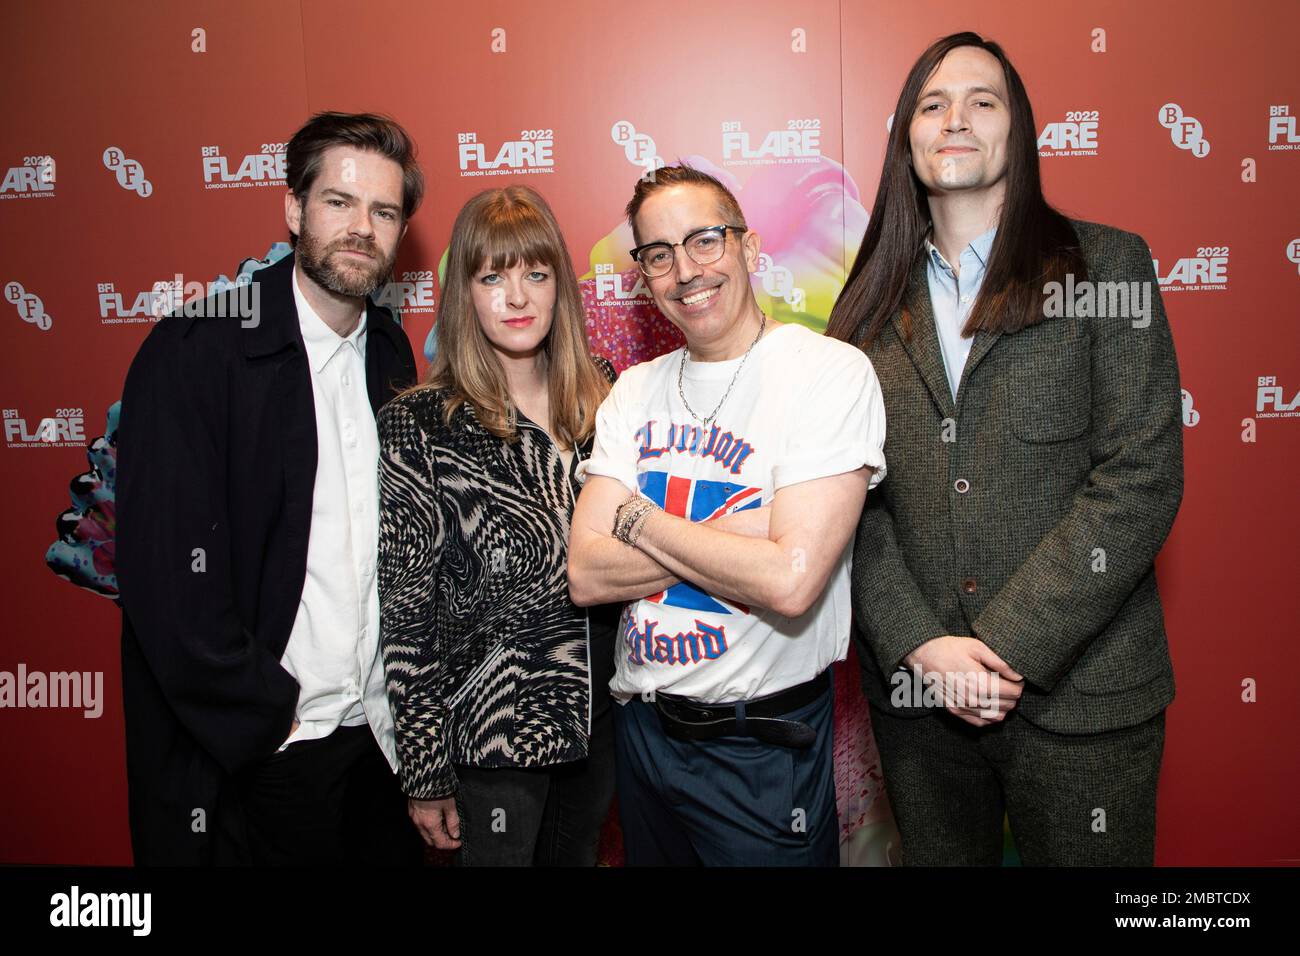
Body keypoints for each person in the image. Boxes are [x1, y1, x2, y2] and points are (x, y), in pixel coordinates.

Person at [827, 32, 1184, 866]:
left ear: (1017, 132)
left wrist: (1004, 648)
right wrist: (921, 647)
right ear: (906, 139)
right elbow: (851, 501)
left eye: (982, 102)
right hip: (920, 708)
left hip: (1084, 702)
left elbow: (1140, 479)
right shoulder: (867, 304)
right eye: (932, 103)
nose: (956, 120)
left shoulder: (1107, 267)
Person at [116, 112, 424, 865]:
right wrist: (267, 716)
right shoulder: (194, 350)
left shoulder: (388, 349)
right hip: (265, 751)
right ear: (293, 208)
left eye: (384, 212)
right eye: (339, 202)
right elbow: (167, 584)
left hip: (379, 745)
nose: (362, 228)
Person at [567, 164, 887, 866]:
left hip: (760, 747)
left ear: (748, 247)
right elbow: (587, 574)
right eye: (659, 254)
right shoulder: (633, 392)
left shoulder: (828, 374)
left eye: (705, 240)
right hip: (643, 735)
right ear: (644, 276)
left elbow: (790, 583)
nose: (685, 269)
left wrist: (638, 519)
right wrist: (753, 530)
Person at [378, 186, 619, 866]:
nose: (517, 298)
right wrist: (424, 771)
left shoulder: (604, 395)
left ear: (559, 287)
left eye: (535, 274)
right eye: (493, 277)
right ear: (465, 293)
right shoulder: (421, 423)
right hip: (494, 737)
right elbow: (407, 611)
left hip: (602, 722)